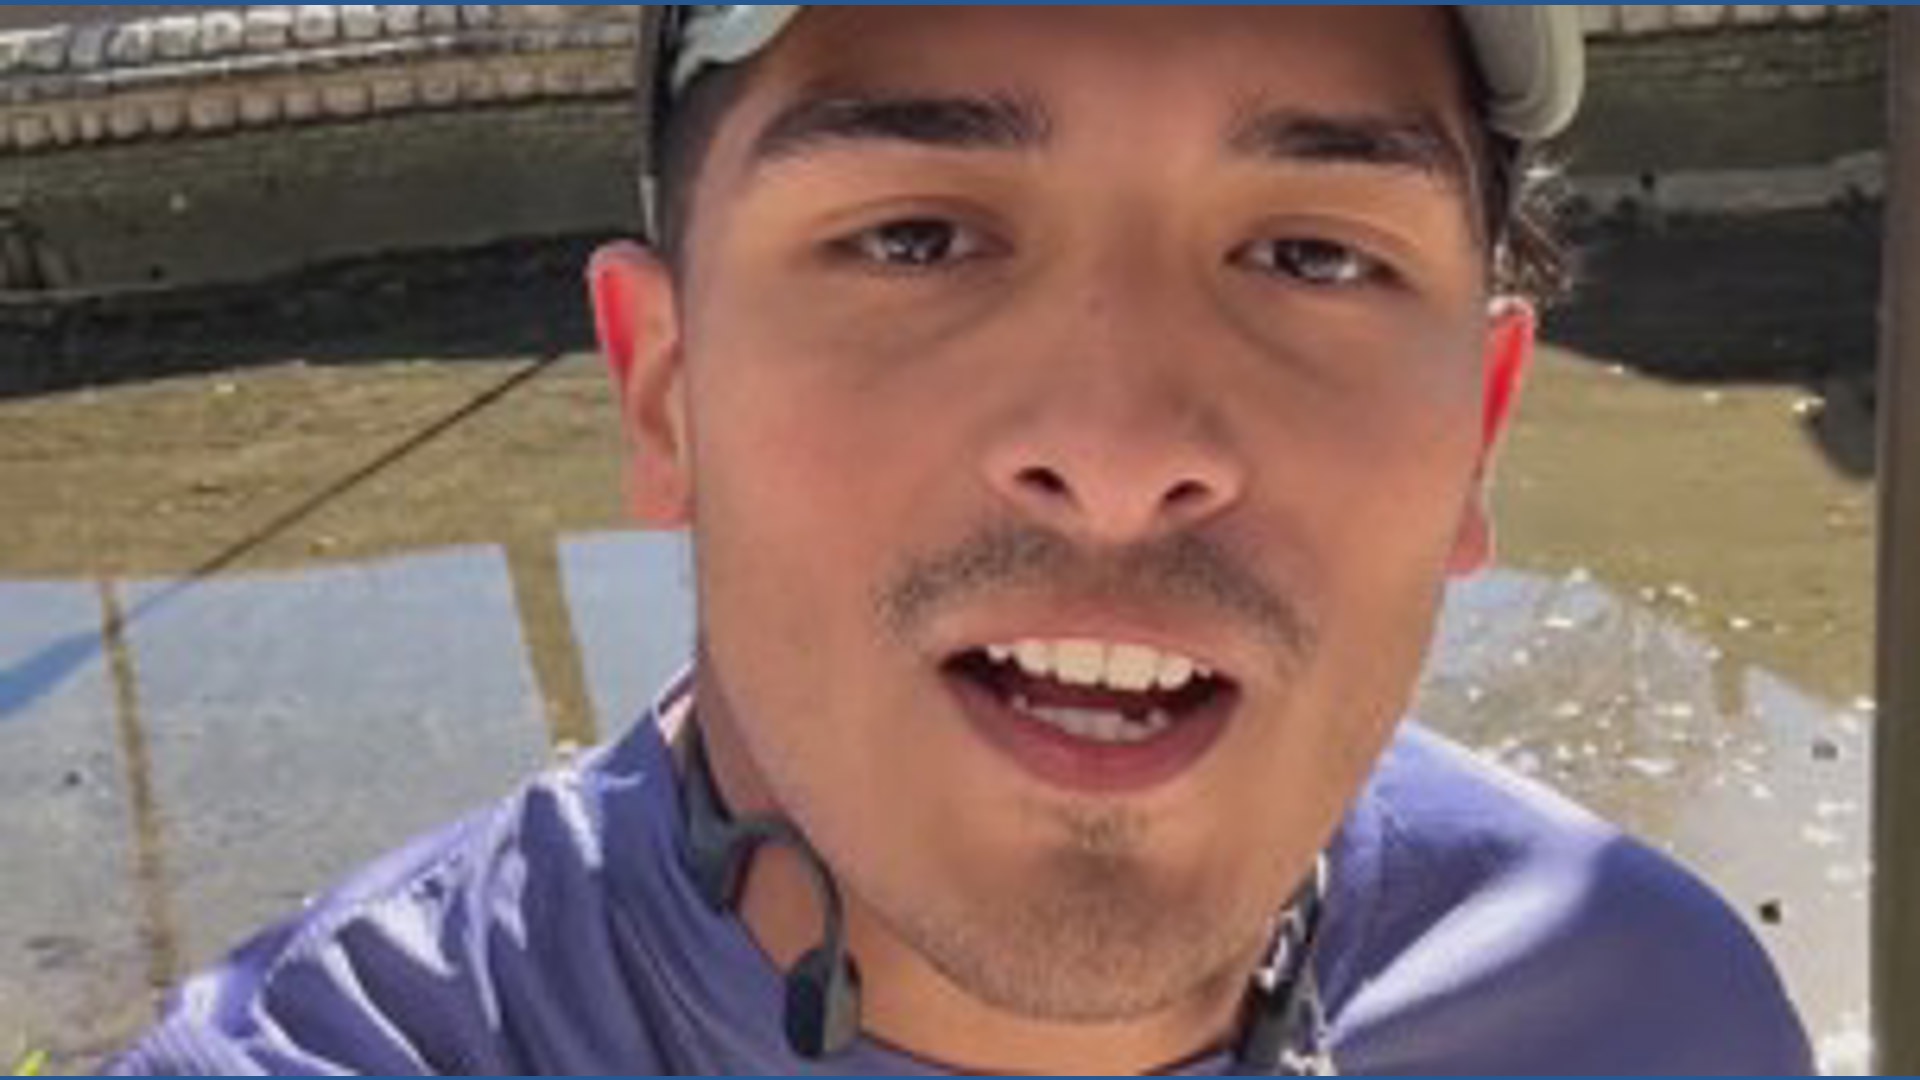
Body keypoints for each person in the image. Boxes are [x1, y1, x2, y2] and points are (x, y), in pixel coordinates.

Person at [109, 6, 1813, 1074]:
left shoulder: (1651, 1020)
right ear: (666, 398)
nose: (1124, 451)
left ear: (1479, 432)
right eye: (920, 237)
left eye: (1310, 256)